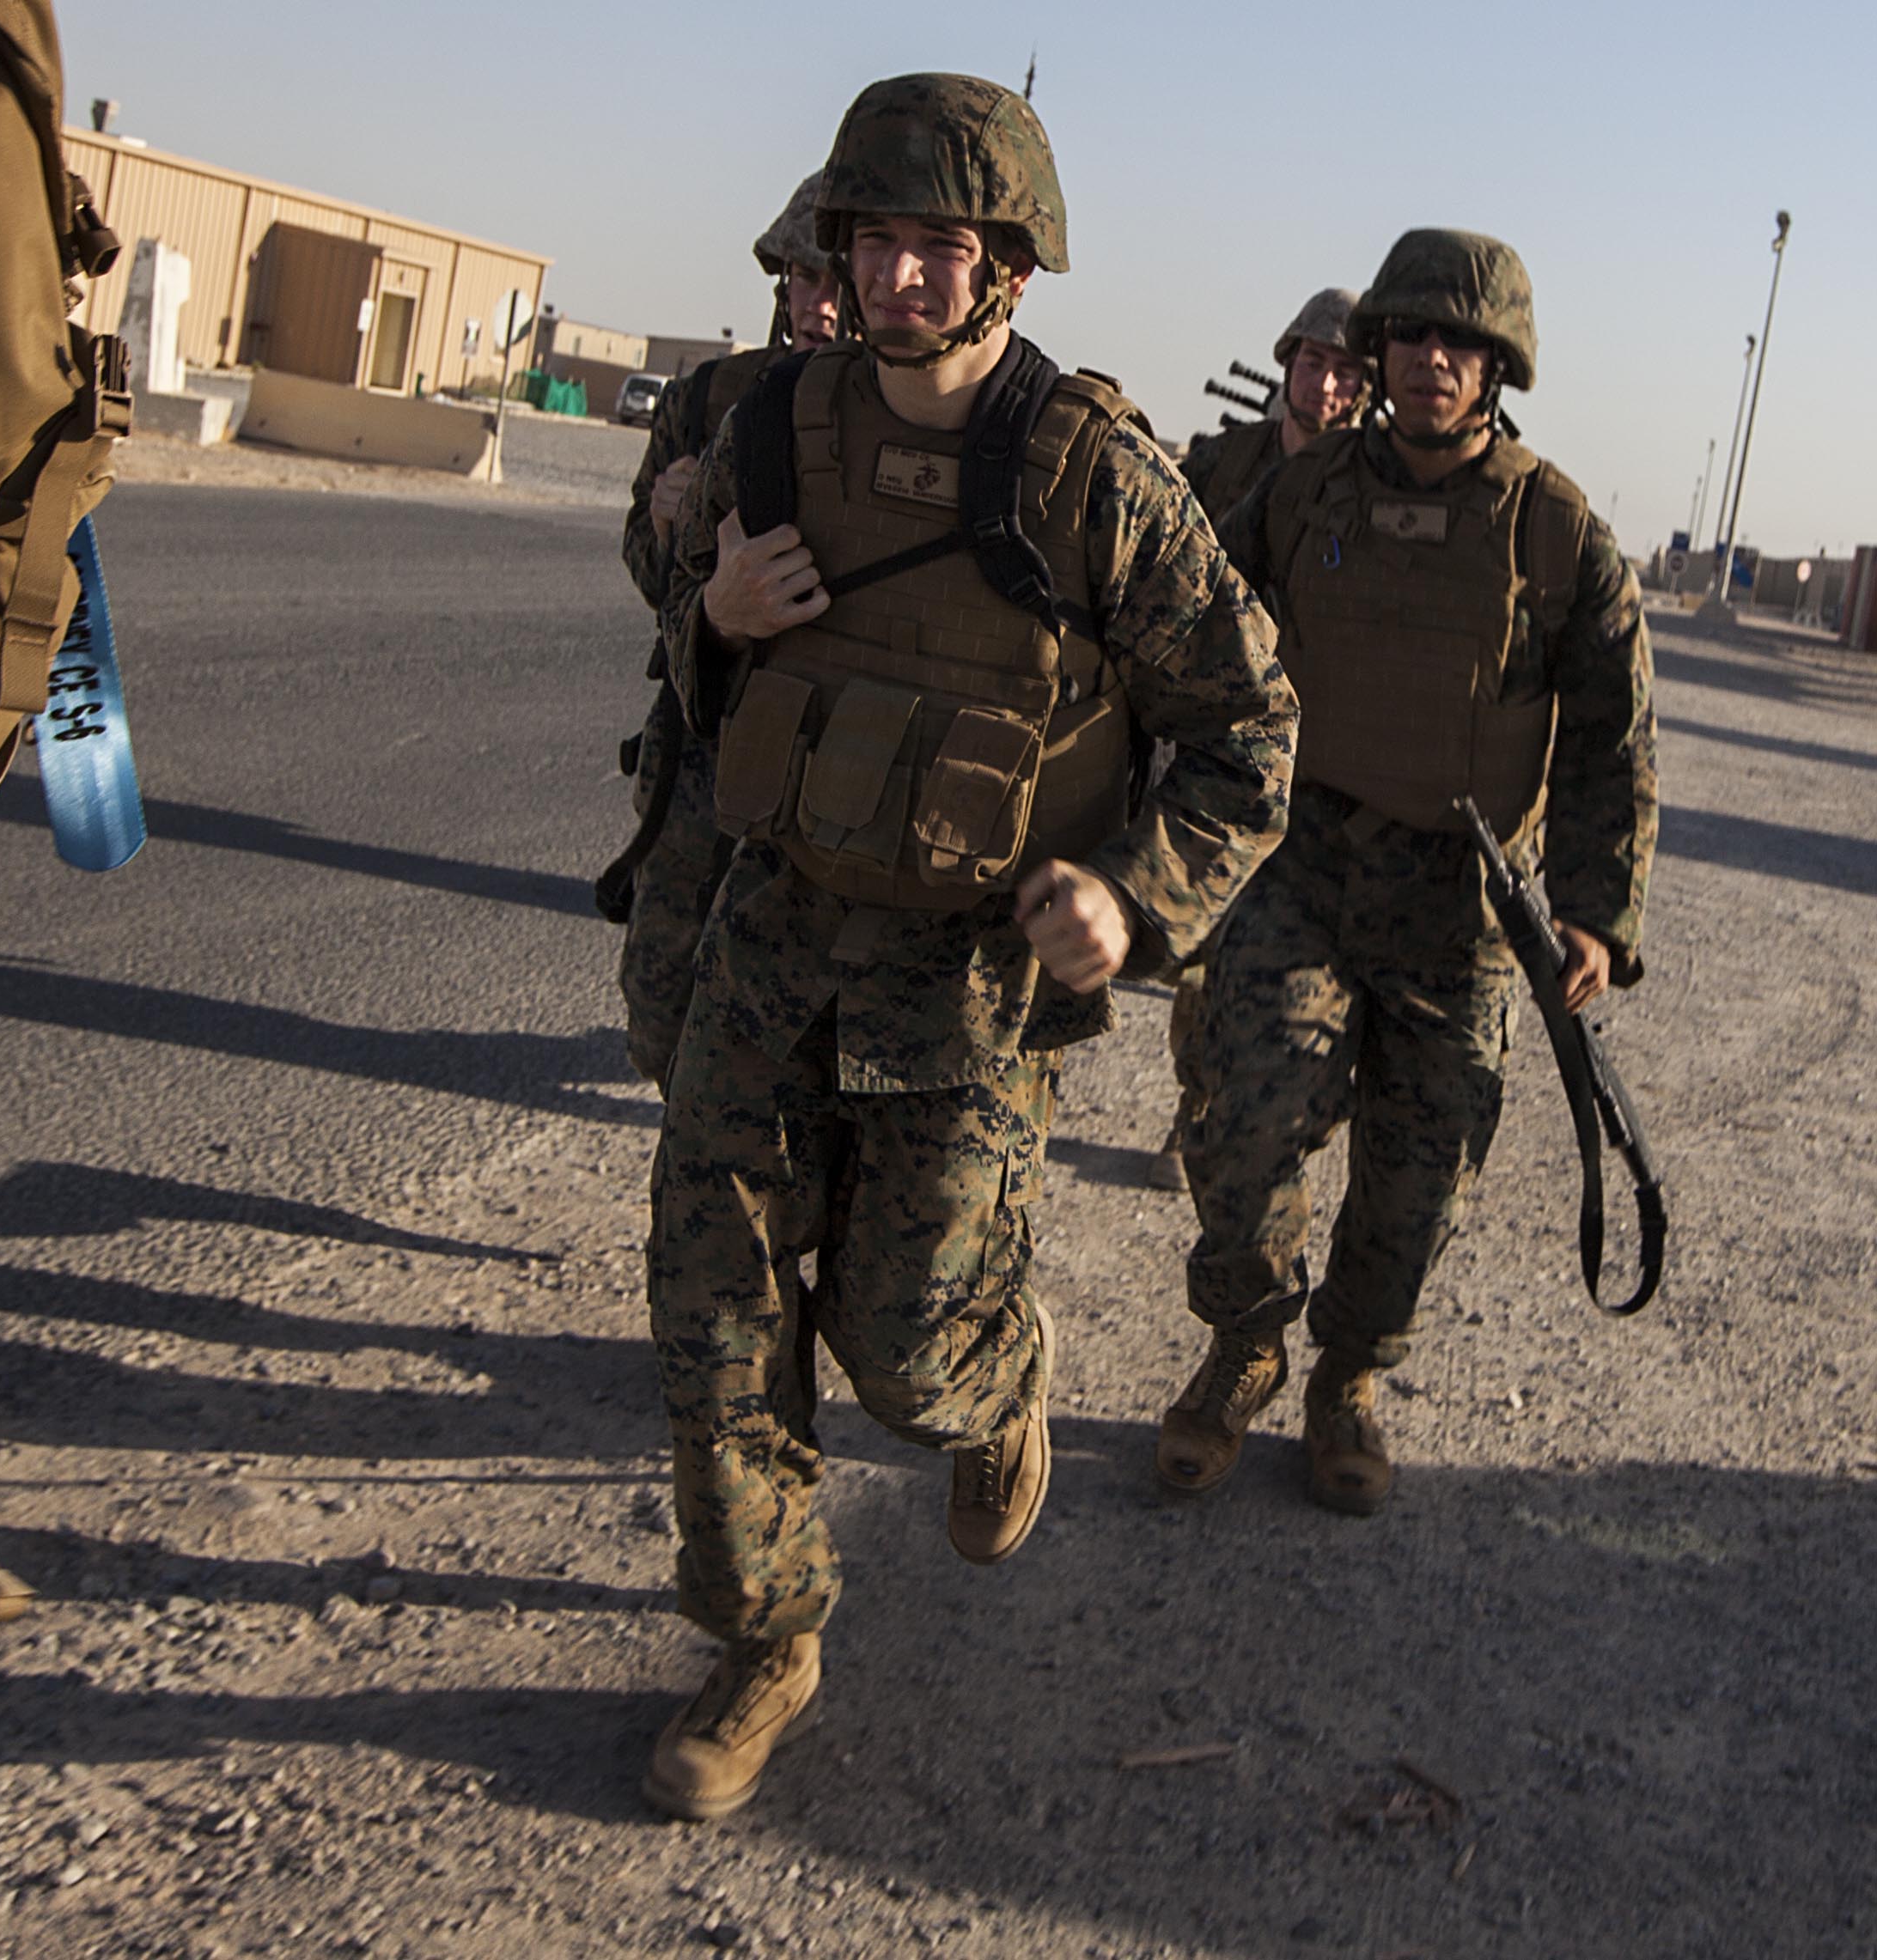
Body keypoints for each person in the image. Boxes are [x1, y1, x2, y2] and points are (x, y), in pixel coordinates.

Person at [637, 73, 1297, 1823]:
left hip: (965, 979)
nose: (906, 279)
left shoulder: (1091, 477)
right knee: (709, 1316)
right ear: (836, 247)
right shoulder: (769, 424)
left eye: (944, 246)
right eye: (879, 241)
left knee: (902, 1344)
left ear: (1008, 262)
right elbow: (671, 601)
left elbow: (1248, 729)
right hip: (769, 929)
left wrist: (1132, 895)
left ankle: (1000, 1385)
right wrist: (707, 607)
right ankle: (766, 1632)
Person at [1156, 229, 1658, 1515]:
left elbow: (1612, 731)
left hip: (1464, 907)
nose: (1431, 362)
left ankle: (1349, 1379)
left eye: (1460, 344)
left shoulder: (1554, 530)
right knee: (1242, 1121)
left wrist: (1598, 914)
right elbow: (1195, 638)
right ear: (1375, 348)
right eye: (1411, 337)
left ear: (1498, 367)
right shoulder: (1301, 491)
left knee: (1419, 1172)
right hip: (1301, 866)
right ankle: (1246, 1343)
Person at [606, 172, 840, 1088]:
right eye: (798, 277)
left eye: (831, 277)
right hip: (703, 740)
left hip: (823, 758)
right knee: (661, 993)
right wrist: (668, 530)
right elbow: (644, 570)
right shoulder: (708, 399)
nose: (816, 301)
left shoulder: (897, 422)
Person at [1146, 286, 1371, 1191]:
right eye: (1313, 364)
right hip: (1219, 739)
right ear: (1287, 367)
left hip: (1318, 757)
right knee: (1202, 947)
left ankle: (1255, 1115)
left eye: (1346, 371)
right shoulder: (1224, 461)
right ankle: (1196, 1101)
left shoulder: (1366, 480)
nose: (1324, 386)